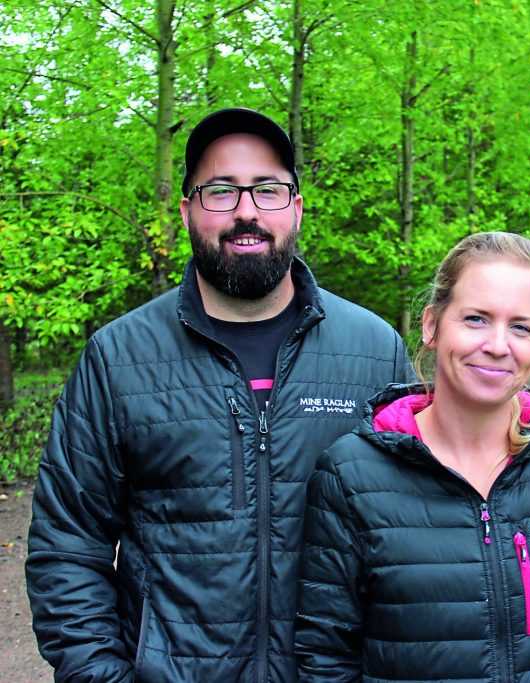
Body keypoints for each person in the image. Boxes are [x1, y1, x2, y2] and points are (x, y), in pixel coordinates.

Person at [25, 107, 413, 682]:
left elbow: (413, 540)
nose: (247, 211)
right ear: (187, 210)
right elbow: (67, 546)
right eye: (221, 191)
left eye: (268, 190)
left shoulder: (374, 351)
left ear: (297, 208)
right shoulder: (118, 358)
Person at [295, 231, 530, 682]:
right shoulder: (351, 475)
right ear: (431, 326)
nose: (498, 345)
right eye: (476, 319)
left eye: (520, 326)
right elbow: (325, 651)